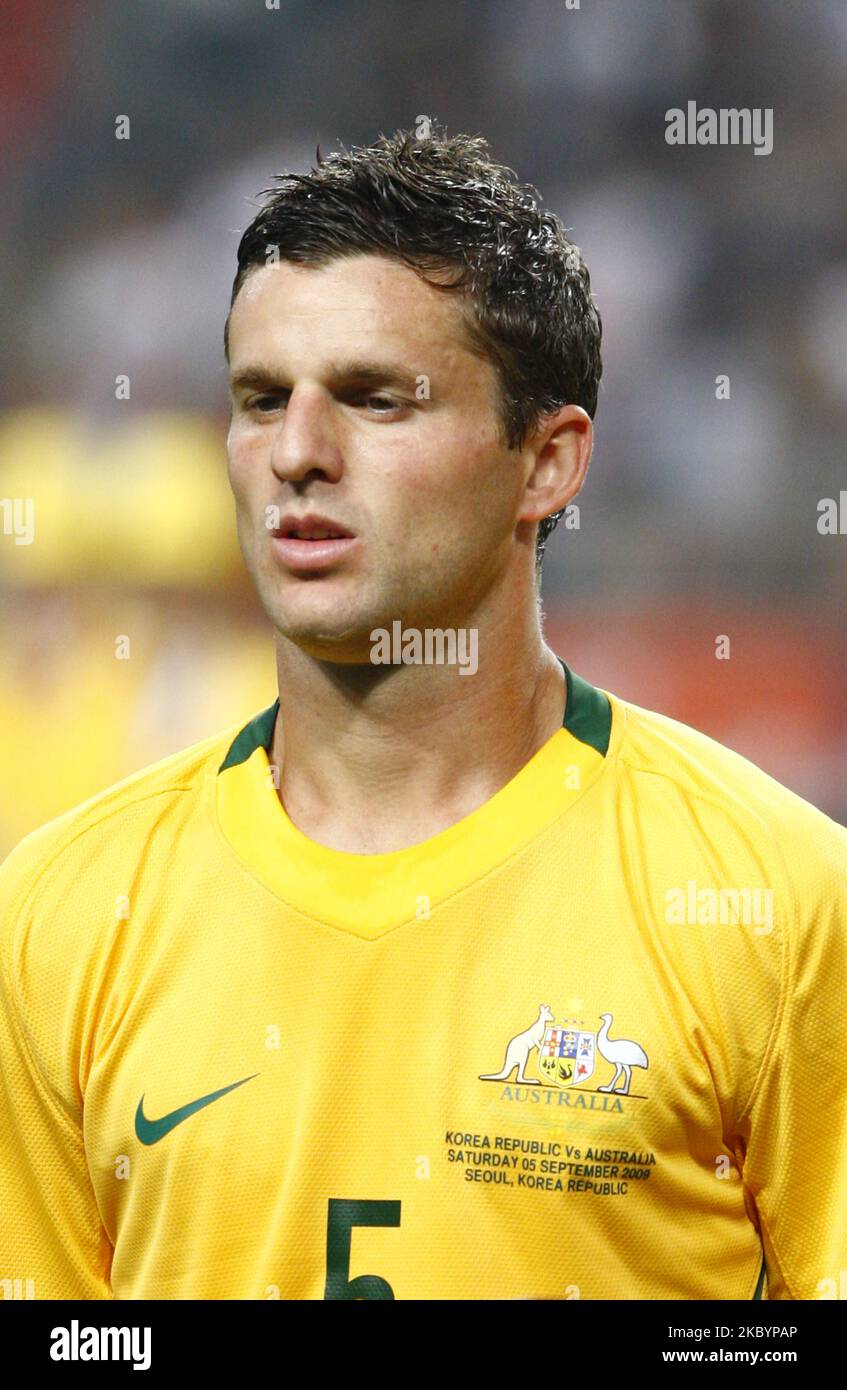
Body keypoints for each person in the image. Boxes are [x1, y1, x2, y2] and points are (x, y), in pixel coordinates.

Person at [1, 128, 844, 1302]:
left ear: (546, 464)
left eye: (374, 399)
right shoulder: (57, 914)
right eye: (259, 400)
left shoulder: (781, 902)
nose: (296, 452)